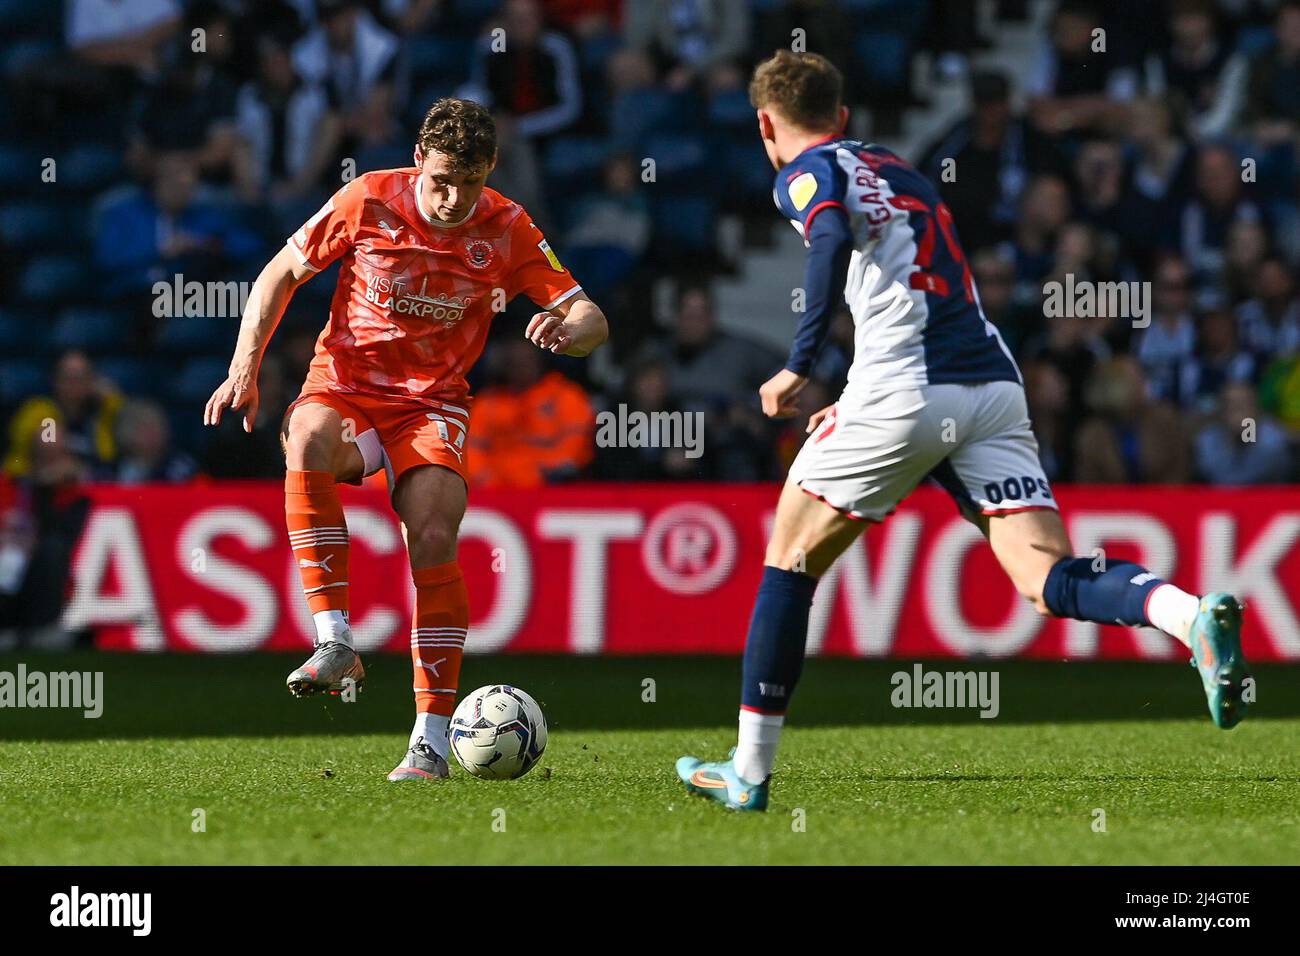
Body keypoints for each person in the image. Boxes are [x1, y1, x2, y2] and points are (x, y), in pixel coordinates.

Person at [675, 51, 1252, 813]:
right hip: (989, 384)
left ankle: (748, 771)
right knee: (1045, 579)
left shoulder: (806, 171)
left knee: (788, 559)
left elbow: (827, 242)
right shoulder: (900, 168)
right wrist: (854, 391)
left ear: (764, 124)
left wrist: (799, 366)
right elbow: (907, 281)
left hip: (907, 388)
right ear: (844, 116)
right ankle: (1188, 616)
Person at [203, 98, 608, 782]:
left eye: (470, 183)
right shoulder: (367, 199)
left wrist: (575, 333)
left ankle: (429, 741)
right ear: (420, 160)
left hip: (432, 406)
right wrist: (245, 366)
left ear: (491, 173)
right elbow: (280, 273)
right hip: (349, 385)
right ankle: (334, 639)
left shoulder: (507, 226)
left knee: (432, 535)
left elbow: (588, 312)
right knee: (304, 439)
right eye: (443, 180)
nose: (453, 199)